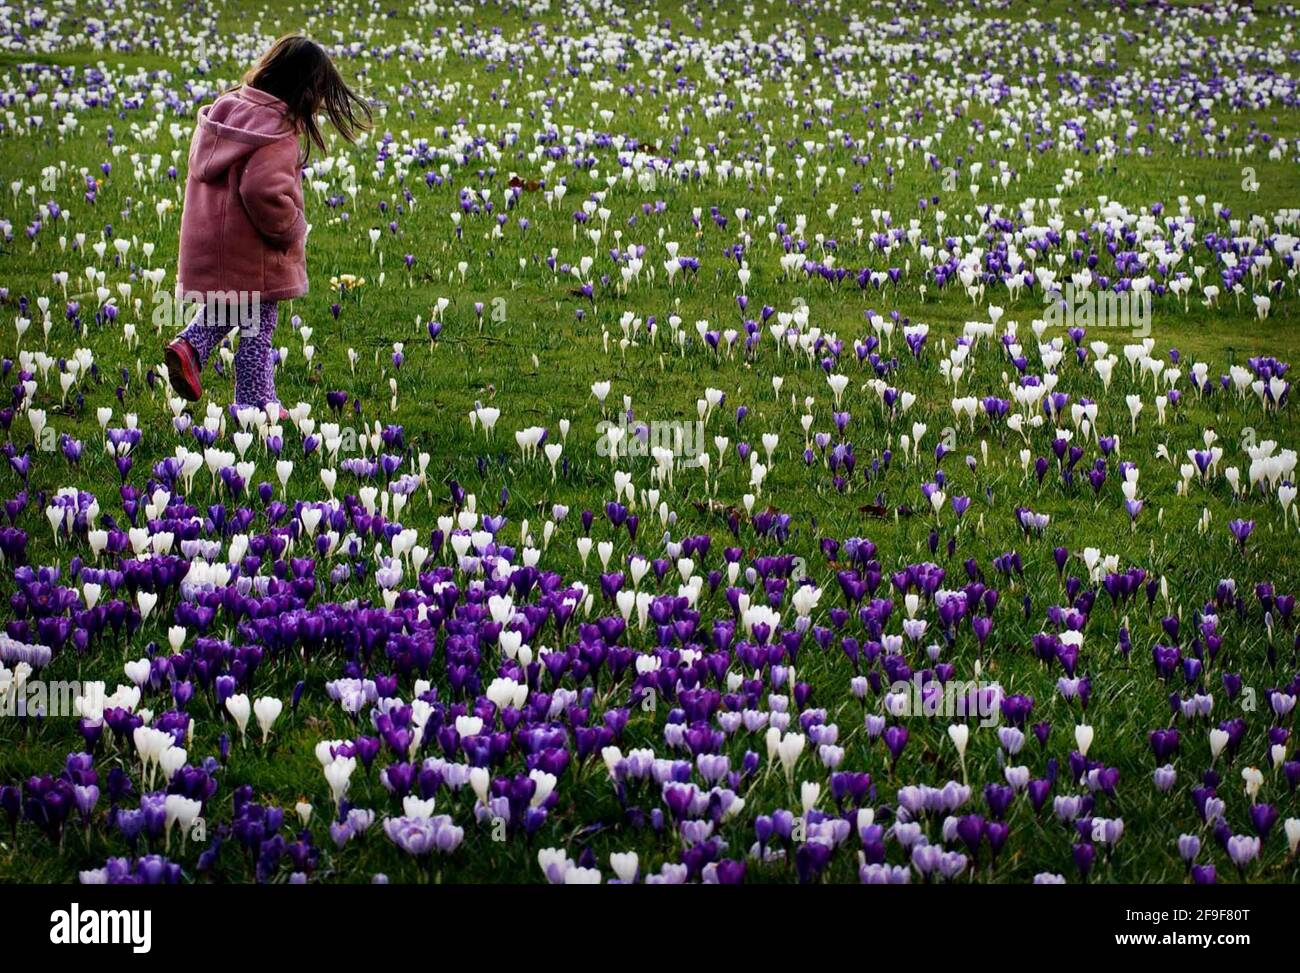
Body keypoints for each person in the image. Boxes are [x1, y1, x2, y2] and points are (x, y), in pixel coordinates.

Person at [164, 35, 370, 416]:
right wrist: (290, 227)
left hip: (214, 243)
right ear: (304, 91)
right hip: (253, 249)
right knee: (258, 327)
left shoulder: (229, 109)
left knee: (237, 307)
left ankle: (190, 347)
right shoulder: (276, 130)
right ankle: (255, 403)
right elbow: (261, 189)